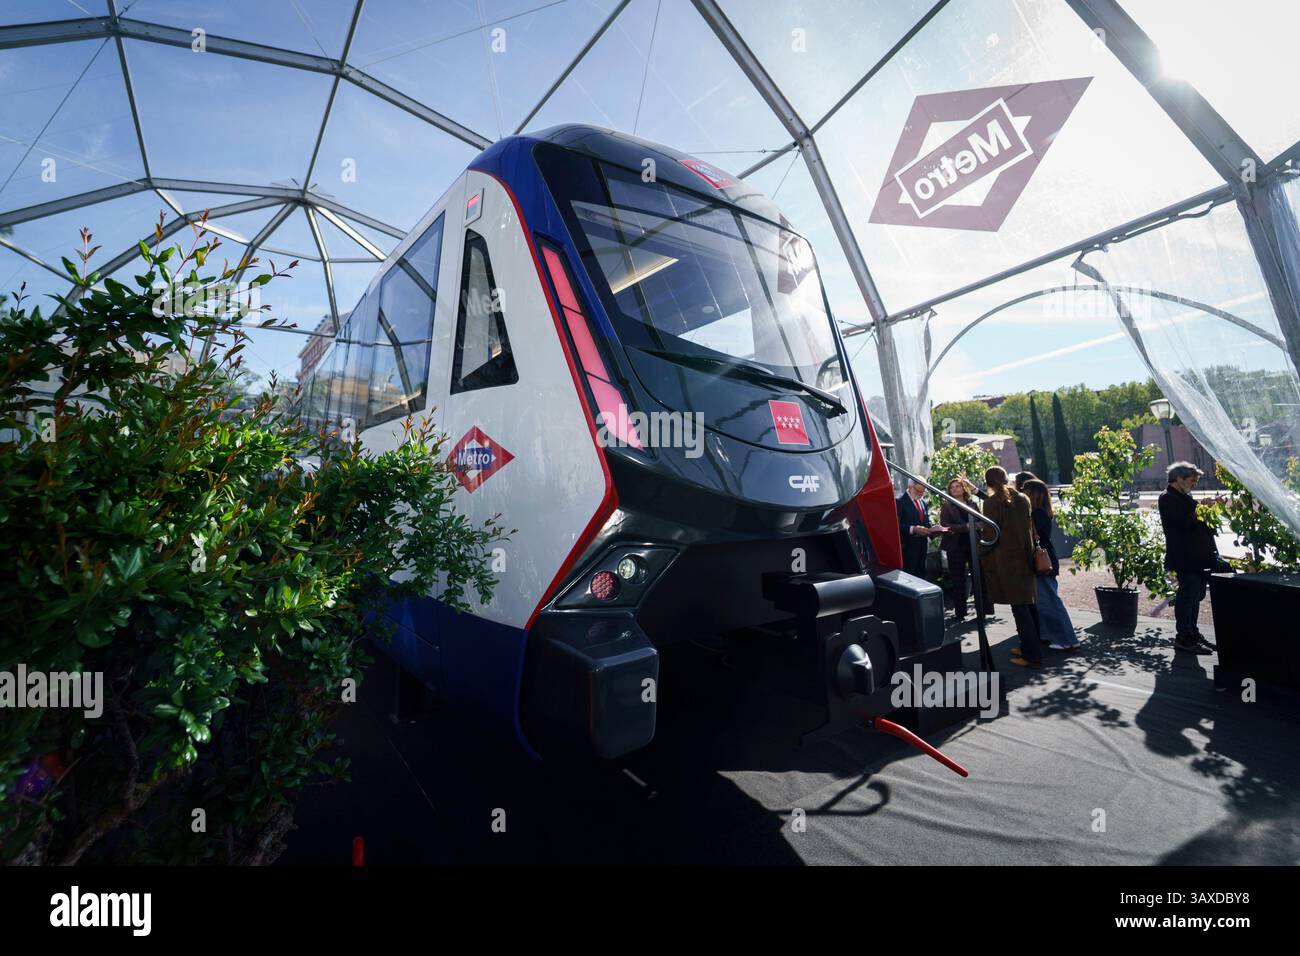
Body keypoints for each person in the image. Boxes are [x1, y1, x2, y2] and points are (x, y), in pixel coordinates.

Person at [978, 466, 1043, 667]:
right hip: (1026, 558)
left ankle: (1032, 656)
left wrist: (978, 552)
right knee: (1030, 606)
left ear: (988, 483)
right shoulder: (1023, 499)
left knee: (1020, 609)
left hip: (1008, 562)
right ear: (1007, 479)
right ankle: (1030, 647)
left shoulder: (991, 503)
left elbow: (990, 535)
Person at [1157, 462, 1220, 655]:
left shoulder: (1185, 497)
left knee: (1196, 597)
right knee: (1188, 597)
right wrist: (1201, 509)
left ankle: (1192, 633)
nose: (1194, 484)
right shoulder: (1167, 498)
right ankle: (1184, 637)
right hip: (1184, 557)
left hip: (1198, 557)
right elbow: (1183, 523)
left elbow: (1200, 522)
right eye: (1192, 481)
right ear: (1179, 479)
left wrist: (1210, 509)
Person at [1021, 478, 1080, 651]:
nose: (1022, 491)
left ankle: (1067, 640)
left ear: (1033, 494)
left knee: (1050, 602)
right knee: (1045, 602)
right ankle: (1051, 636)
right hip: (1046, 558)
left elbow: (1031, 533)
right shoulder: (1042, 511)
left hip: (1042, 560)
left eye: (1025, 489)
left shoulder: (1037, 513)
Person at [940, 476, 992, 620]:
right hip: (955, 545)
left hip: (974, 543)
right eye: (952, 487)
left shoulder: (972, 503)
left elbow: (982, 521)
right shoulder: (946, 505)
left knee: (979, 576)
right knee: (958, 579)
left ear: (964, 488)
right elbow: (945, 525)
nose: (955, 489)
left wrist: (975, 526)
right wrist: (966, 527)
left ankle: (984, 609)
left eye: (958, 486)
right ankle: (961, 612)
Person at [897, 477, 941, 580]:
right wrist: (913, 529)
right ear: (910, 487)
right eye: (918, 490)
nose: (921, 494)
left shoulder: (923, 503)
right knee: (909, 579)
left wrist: (934, 529)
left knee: (920, 576)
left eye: (923, 491)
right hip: (907, 549)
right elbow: (895, 526)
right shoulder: (899, 502)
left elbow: (925, 523)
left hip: (922, 547)